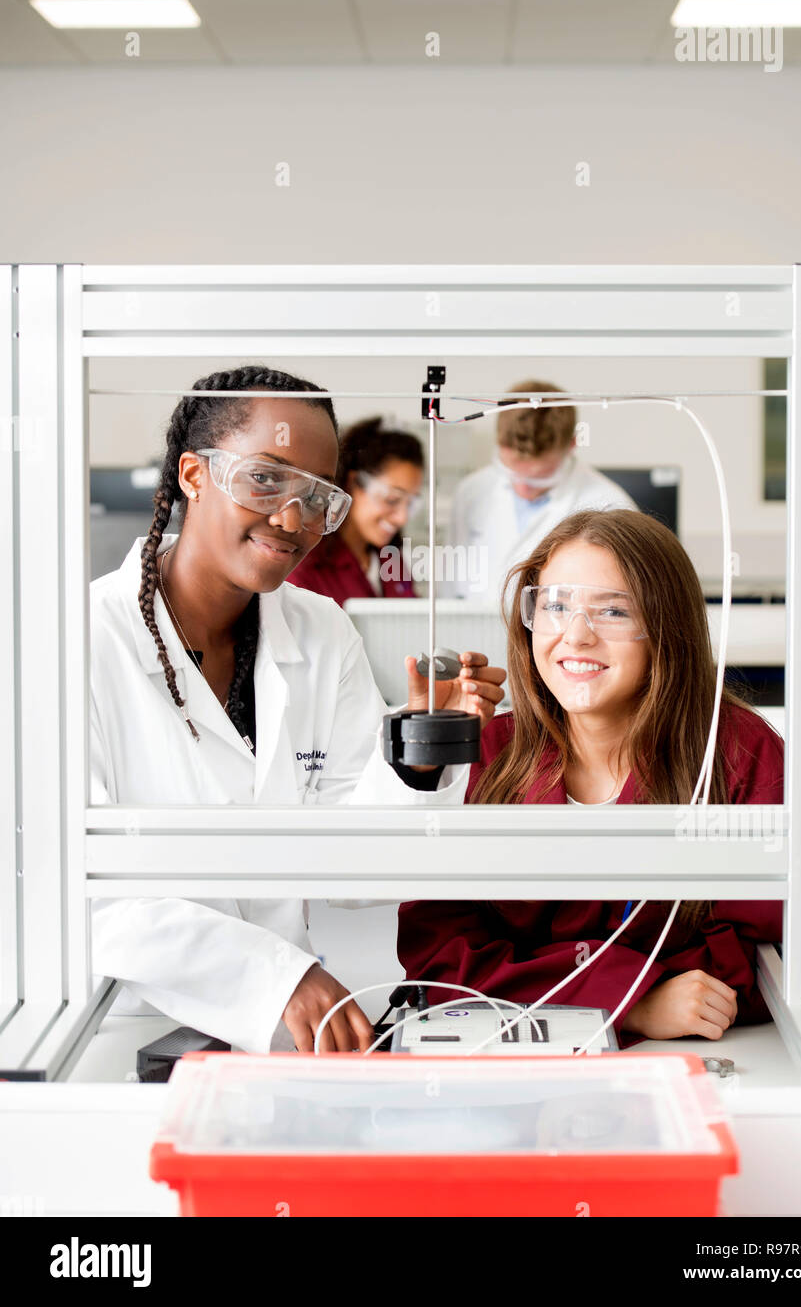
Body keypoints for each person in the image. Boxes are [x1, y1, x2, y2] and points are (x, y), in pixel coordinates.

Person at [89, 367, 505, 1055]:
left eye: (317, 495)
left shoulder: (321, 631)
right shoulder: (83, 640)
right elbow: (84, 897)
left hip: (294, 1033)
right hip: (120, 1027)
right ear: (194, 474)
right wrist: (278, 979)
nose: (293, 518)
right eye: (266, 478)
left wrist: (417, 758)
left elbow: (351, 869)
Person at [398, 508, 784, 1046]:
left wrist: (542, 977)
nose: (575, 636)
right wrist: (629, 998)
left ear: (667, 627)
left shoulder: (740, 753)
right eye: (554, 606)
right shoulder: (488, 749)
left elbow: (765, 947)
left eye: (612, 611)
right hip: (507, 1057)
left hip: (690, 1063)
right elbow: (440, 948)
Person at [446, 380, 637, 599]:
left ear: (572, 445)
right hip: (471, 630)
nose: (523, 487)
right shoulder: (471, 491)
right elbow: (449, 592)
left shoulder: (610, 504)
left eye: (540, 478)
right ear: (499, 444)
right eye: (511, 472)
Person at [287, 416, 422, 606]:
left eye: (410, 504)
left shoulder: (392, 560)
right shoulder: (306, 568)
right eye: (392, 500)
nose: (402, 518)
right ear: (353, 484)